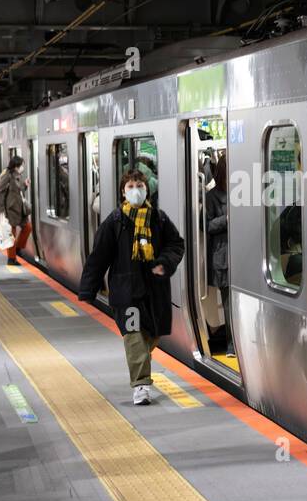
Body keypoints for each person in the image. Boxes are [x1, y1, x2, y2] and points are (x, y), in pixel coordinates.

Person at [79, 169, 185, 405]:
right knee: (134, 336)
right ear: (122, 192)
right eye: (130, 186)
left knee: (152, 335)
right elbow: (99, 256)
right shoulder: (115, 222)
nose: (135, 190)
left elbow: (176, 244)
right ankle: (141, 386)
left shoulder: (159, 218)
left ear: (147, 189)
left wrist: (164, 263)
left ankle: (139, 367)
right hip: (126, 292)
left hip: (154, 290)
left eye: (139, 185)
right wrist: (88, 288)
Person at [205, 153, 234, 357]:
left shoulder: (245, 193)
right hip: (223, 257)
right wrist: (227, 218)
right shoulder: (212, 196)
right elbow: (206, 225)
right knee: (229, 304)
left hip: (241, 255)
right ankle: (232, 344)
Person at [0, 155, 32, 266]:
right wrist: (2, 210)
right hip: (10, 210)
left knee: (28, 228)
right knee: (11, 235)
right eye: (22, 165)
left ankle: (18, 248)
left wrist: (25, 185)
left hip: (20, 210)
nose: (23, 167)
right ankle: (11, 259)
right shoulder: (7, 176)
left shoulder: (17, 176)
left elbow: (17, 190)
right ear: (16, 166)